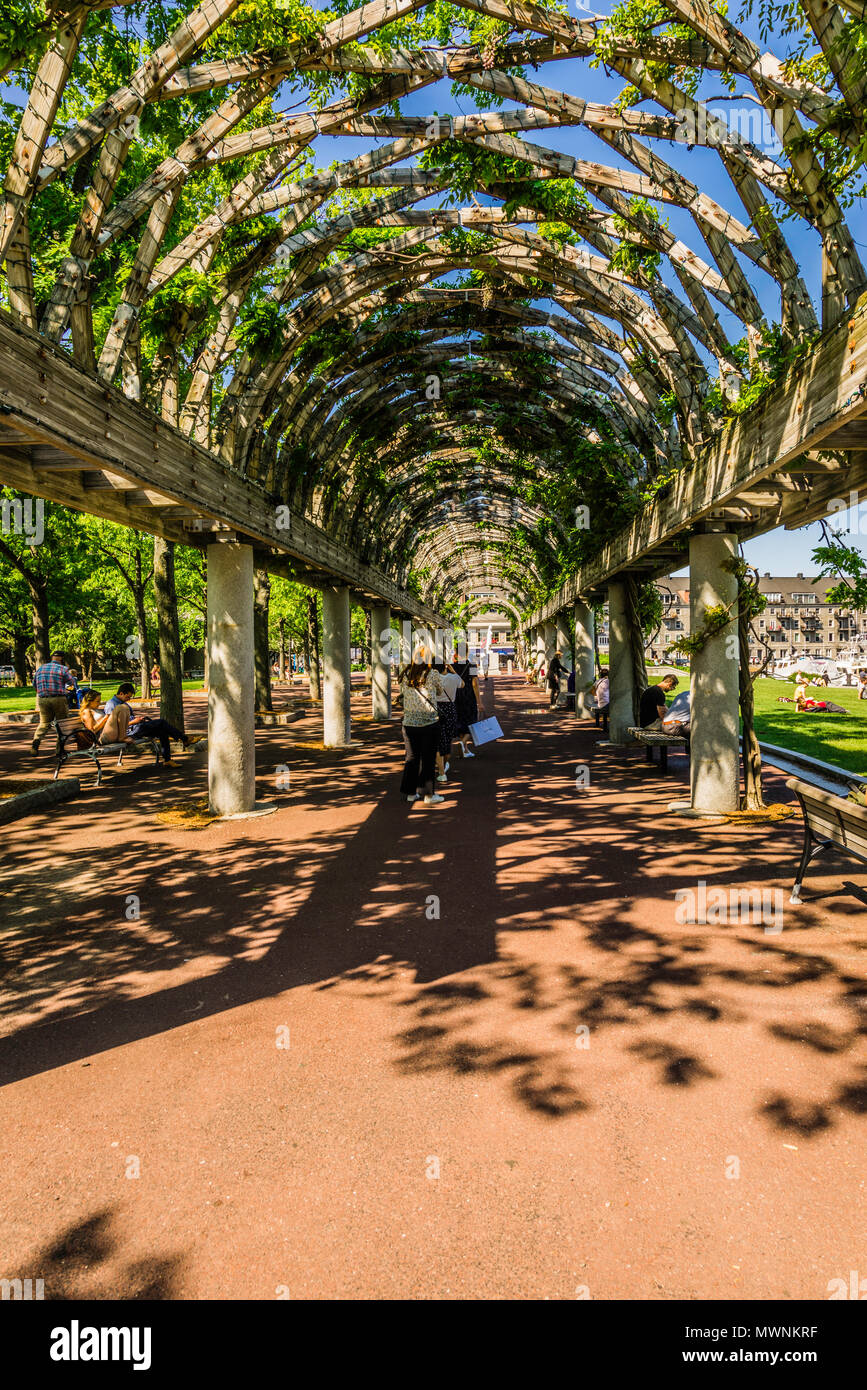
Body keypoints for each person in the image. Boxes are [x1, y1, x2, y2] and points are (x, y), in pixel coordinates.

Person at [398, 649, 446, 804]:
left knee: (411, 758)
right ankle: (428, 795)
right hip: (429, 722)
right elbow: (440, 691)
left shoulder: (406, 674)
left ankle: (410, 793)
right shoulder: (433, 674)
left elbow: (402, 693)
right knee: (428, 759)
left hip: (409, 722)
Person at [102, 682, 191, 763]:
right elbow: (113, 725)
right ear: (121, 693)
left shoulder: (122, 702)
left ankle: (168, 760)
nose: (128, 699)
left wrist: (137, 719)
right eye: (127, 697)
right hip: (130, 732)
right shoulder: (111, 704)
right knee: (161, 722)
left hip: (135, 727)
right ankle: (184, 739)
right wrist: (133, 722)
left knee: (162, 730)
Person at [31, 650, 76, 754]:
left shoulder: (41, 668)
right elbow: (71, 682)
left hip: (43, 699)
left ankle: (35, 743)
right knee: (62, 724)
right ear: (61, 658)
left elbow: (34, 684)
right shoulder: (63, 669)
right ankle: (59, 750)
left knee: (44, 723)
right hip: (58, 699)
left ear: (52, 657)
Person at [433, 659, 463, 784]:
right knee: (448, 739)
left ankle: (441, 769)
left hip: (437, 709)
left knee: (438, 739)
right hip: (450, 709)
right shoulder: (454, 678)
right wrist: (453, 671)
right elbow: (463, 684)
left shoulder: (433, 679)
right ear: (445, 666)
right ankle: (445, 763)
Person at [451, 648, 480, 758]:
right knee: (472, 721)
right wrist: (479, 701)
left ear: (456, 653)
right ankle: (463, 743)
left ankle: (465, 750)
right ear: (467, 652)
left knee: (461, 721)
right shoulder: (472, 666)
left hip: (456, 696)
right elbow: (475, 683)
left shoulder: (452, 667)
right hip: (469, 695)